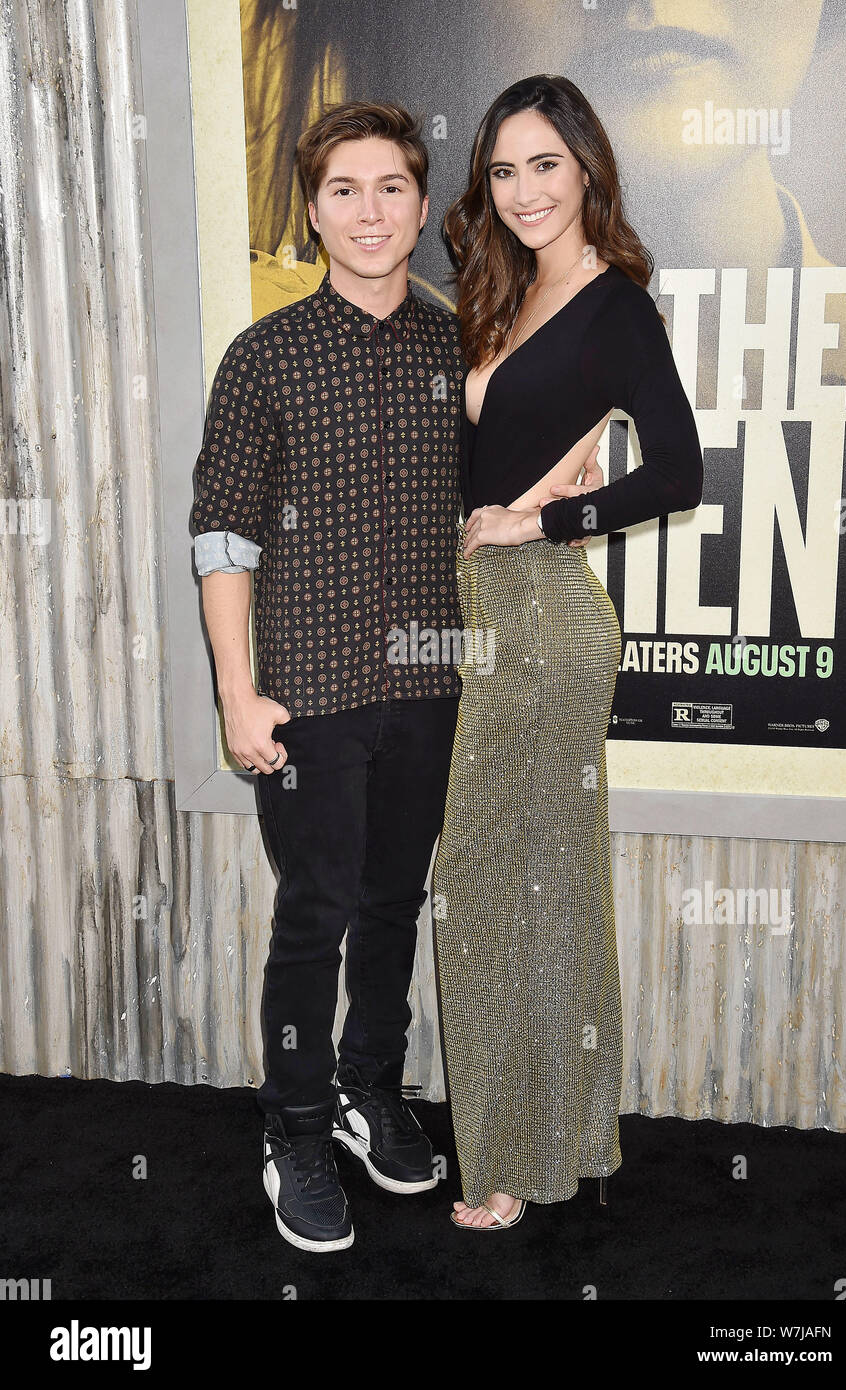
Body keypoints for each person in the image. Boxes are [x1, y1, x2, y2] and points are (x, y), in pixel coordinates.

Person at [189, 102, 470, 1253]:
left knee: (396, 902)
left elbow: (503, 490)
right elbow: (222, 537)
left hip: (427, 687)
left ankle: (367, 1090)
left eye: (391, 187)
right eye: (344, 190)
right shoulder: (264, 357)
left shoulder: (458, 345)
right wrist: (235, 693)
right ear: (313, 211)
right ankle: (296, 1130)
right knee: (314, 918)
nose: (369, 210)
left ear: (420, 203)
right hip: (304, 696)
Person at [433, 75, 704, 1230]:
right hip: (487, 612)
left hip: (544, 619)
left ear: (588, 167)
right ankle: (565, 1136)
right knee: (533, 887)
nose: (526, 189)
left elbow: (681, 472)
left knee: (491, 891)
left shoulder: (615, 305)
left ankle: (512, 1164)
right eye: (504, 169)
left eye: (546, 164)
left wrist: (546, 518)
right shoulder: (506, 291)